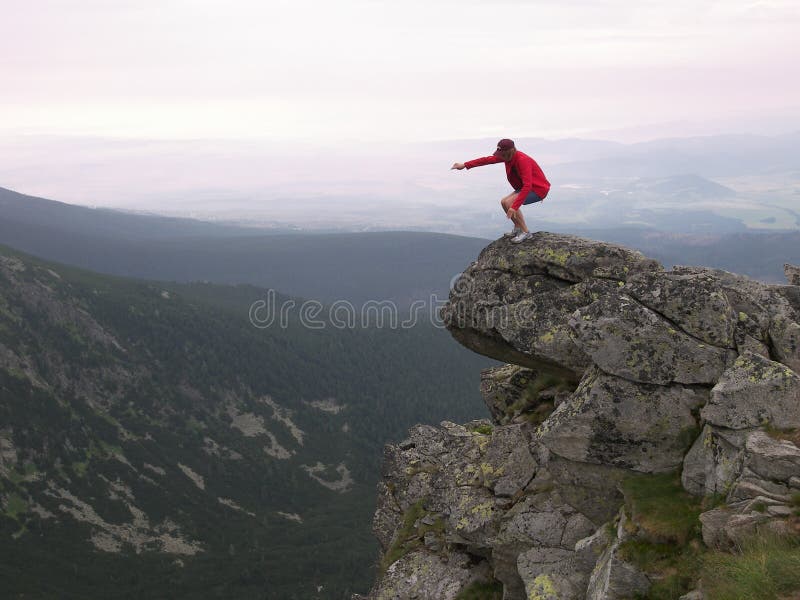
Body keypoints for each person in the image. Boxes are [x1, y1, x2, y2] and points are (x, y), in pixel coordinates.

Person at [452, 138, 550, 243]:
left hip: (538, 189)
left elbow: (527, 185)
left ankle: (526, 232)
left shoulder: (522, 160)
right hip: (527, 187)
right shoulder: (507, 157)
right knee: (504, 202)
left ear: (509, 152)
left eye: (502, 154)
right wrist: (465, 165)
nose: (499, 156)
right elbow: (486, 160)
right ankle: (518, 228)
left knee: (509, 203)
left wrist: (514, 207)